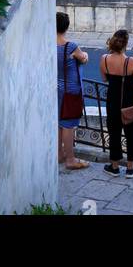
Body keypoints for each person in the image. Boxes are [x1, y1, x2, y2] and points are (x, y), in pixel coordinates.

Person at [100, 29, 133, 176]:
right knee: (131, 133)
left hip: (113, 99)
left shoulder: (104, 59)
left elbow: (104, 79)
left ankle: (114, 166)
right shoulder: (130, 61)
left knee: (114, 132)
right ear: (125, 44)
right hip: (130, 101)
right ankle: (130, 168)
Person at [56, 11, 89, 170]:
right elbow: (83, 58)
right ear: (66, 27)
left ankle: (59, 154)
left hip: (56, 89)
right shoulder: (70, 46)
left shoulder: (48, 43)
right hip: (71, 89)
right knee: (68, 124)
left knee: (57, 123)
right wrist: (86, 55)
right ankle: (70, 159)